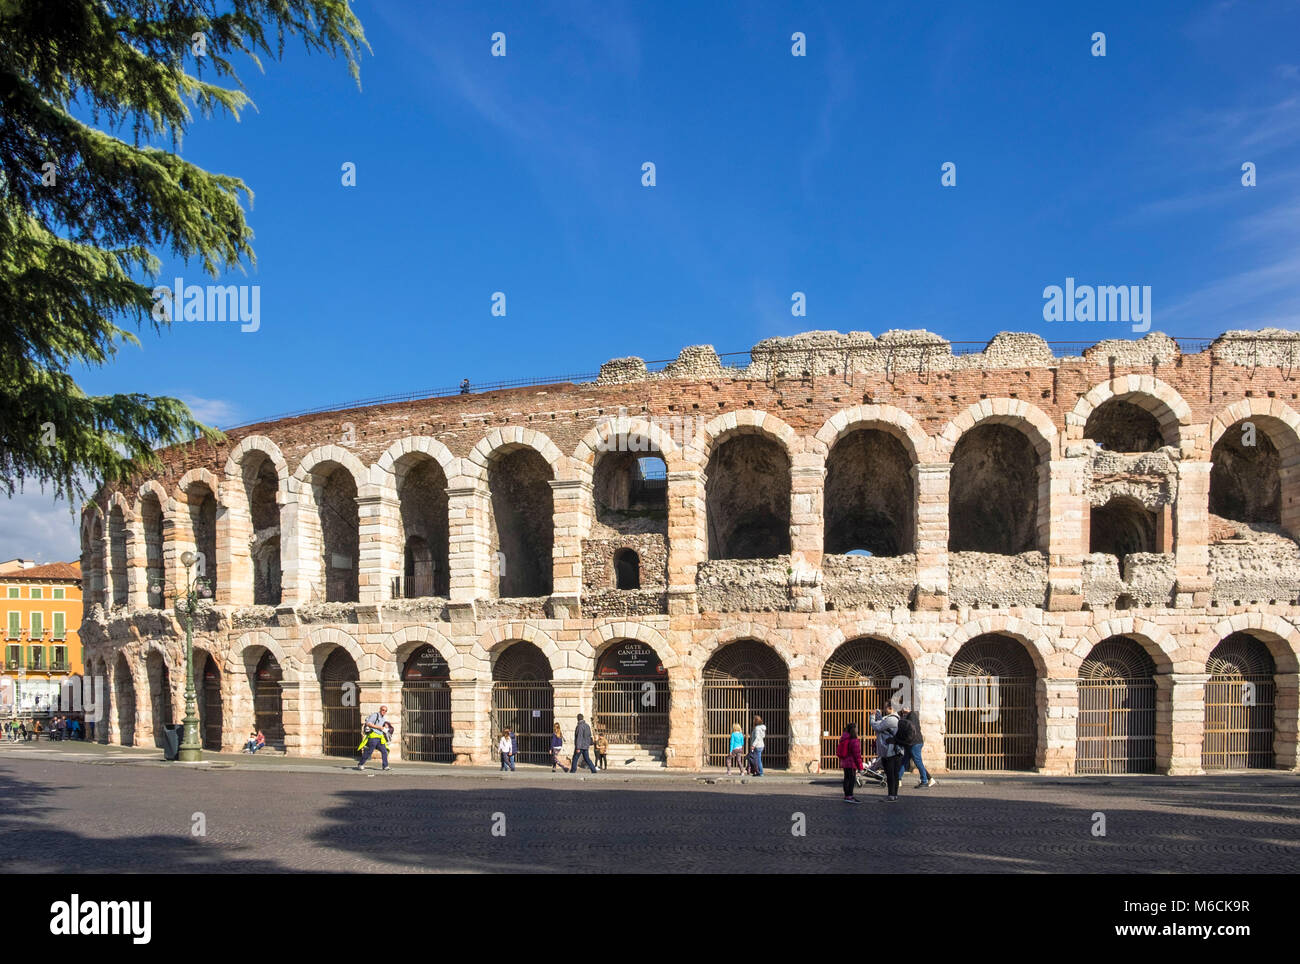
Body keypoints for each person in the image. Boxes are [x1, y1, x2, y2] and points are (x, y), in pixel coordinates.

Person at [871, 703, 904, 801]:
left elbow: (877, 727)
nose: (884, 709)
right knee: (895, 773)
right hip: (898, 750)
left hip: (890, 750)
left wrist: (872, 717)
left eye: (885, 707)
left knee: (890, 773)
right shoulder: (897, 718)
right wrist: (879, 716)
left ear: (891, 708)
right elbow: (882, 723)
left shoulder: (891, 719)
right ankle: (895, 794)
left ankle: (891, 795)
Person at [899, 709, 937, 789]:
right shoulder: (908, 716)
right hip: (911, 743)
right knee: (905, 760)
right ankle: (898, 779)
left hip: (914, 743)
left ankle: (924, 781)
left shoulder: (911, 715)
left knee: (918, 762)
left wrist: (906, 740)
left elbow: (911, 730)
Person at [354, 705, 393, 771]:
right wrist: (379, 727)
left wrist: (385, 726)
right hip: (373, 737)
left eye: (385, 711)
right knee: (369, 752)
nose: (384, 711)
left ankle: (385, 766)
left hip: (380, 738)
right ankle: (360, 764)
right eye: (383, 710)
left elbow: (381, 726)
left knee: (384, 751)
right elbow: (368, 723)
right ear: (380, 709)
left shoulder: (383, 718)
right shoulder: (375, 715)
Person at [837, 722, 863, 803]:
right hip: (852, 764)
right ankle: (850, 796)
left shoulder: (844, 738)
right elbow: (857, 756)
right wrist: (860, 767)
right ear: (854, 730)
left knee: (846, 779)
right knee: (851, 780)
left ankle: (846, 795)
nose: (858, 730)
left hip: (845, 763)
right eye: (857, 728)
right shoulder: (854, 741)